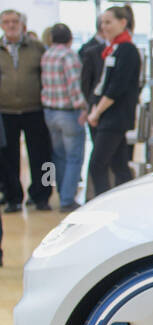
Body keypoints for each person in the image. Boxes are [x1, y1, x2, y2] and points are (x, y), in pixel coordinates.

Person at [0, 8, 55, 212]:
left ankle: (42, 196)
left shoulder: (37, 48)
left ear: (23, 24)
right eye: (6, 22)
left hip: (35, 110)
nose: (11, 25)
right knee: (7, 158)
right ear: (2, 25)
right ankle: (13, 197)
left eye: (15, 21)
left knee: (42, 156)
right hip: (6, 112)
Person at [86, 5, 142, 196]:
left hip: (114, 117)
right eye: (103, 22)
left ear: (123, 22)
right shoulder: (113, 49)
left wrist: (96, 112)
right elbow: (102, 85)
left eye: (109, 22)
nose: (104, 27)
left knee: (97, 165)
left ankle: (105, 204)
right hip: (107, 116)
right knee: (119, 166)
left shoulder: (127, 50)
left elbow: (116, 88)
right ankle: (126, 202)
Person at [40, 23, 88, 212]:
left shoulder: (47, 55)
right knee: (74, 157)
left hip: (49, 112)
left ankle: (62, 192)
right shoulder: (69, 56)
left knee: (58, 155)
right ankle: (68, 199)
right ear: (70, 38)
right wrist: (83, 107)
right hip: (68, 113)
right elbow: (74, 86)